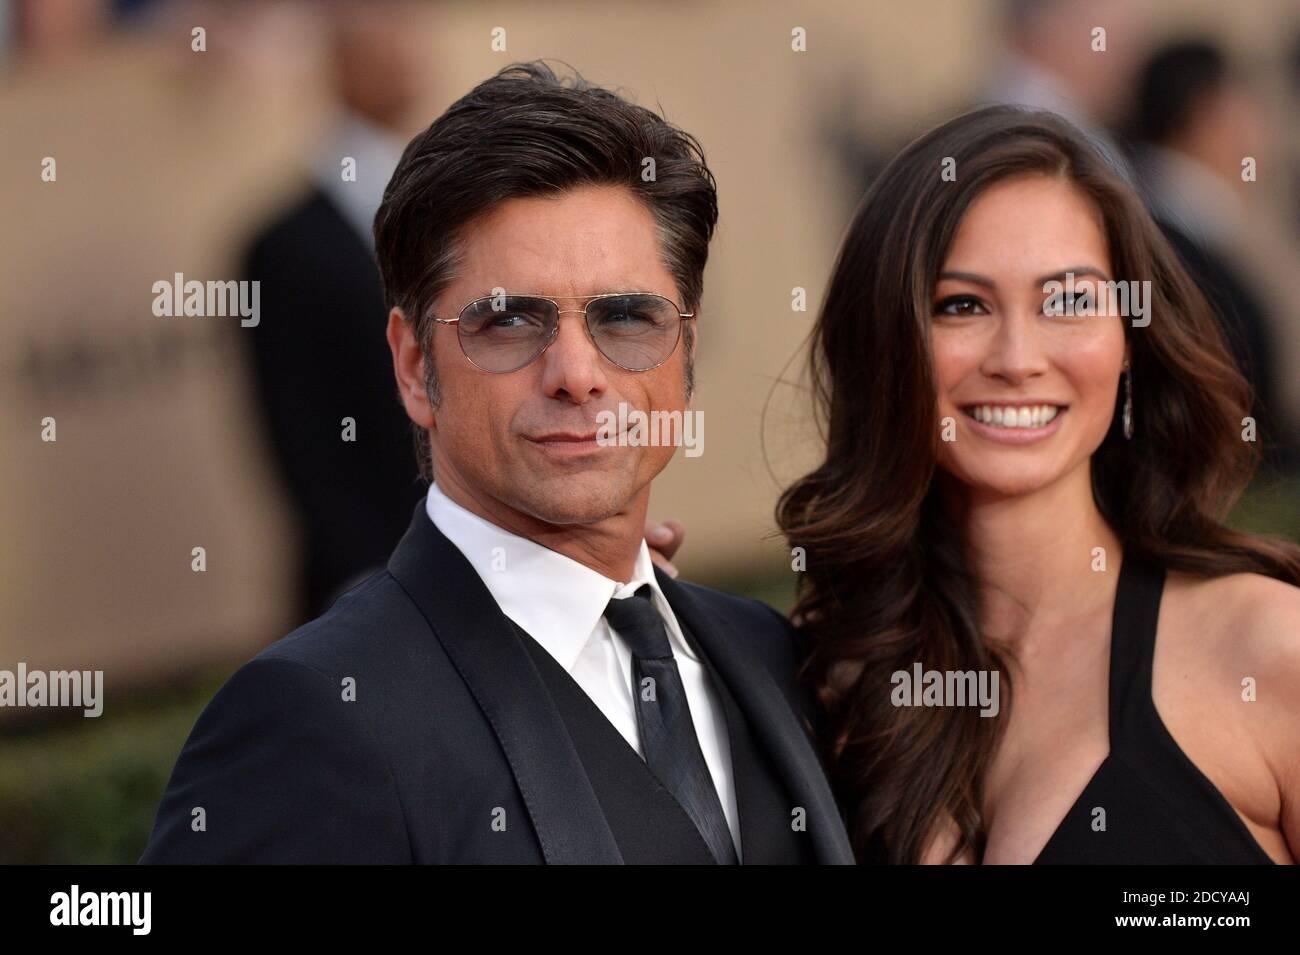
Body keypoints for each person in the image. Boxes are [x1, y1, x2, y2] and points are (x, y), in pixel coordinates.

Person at [139, 61, 855, 865]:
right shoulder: (317, 714)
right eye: (511, 322)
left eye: (627, 316)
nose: (577, 373)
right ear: (414, 367)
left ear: (684, 351)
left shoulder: (768, 658)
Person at [657, 106, 1300, 864]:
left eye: (1068, 301)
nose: (1018, 357)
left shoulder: (1267, 647)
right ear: (888, 342)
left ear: (1129, 342)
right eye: (961, 305)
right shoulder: (827, 685)